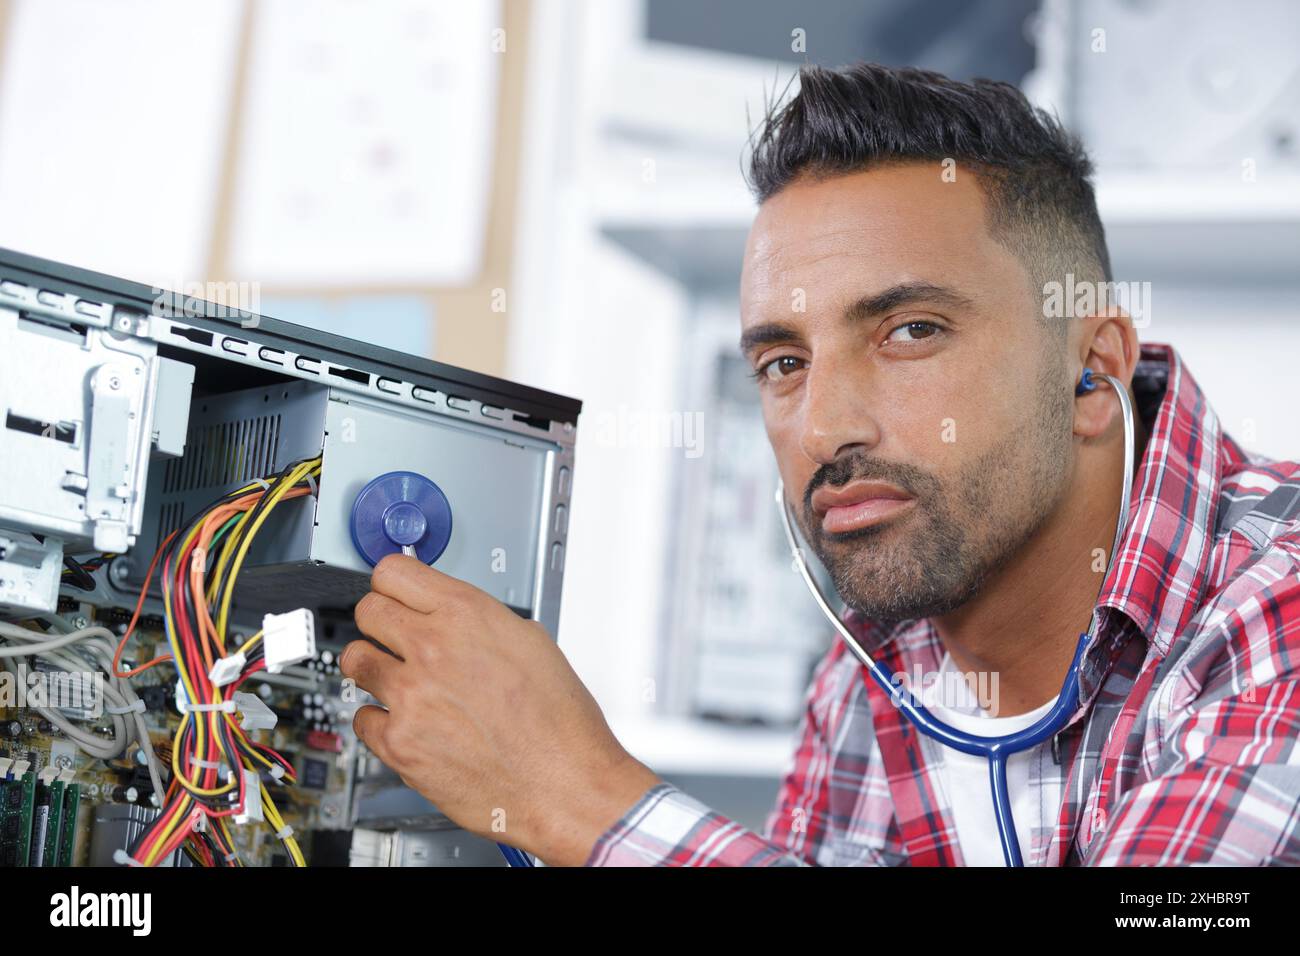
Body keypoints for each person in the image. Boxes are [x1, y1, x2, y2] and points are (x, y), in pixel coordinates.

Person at [338, 62, 1300, 866]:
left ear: (1090, 370)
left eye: (910, 331)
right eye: (784, 363)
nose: (823, 426)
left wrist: (577, 797)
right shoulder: (875, 661)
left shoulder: (1278, 612)